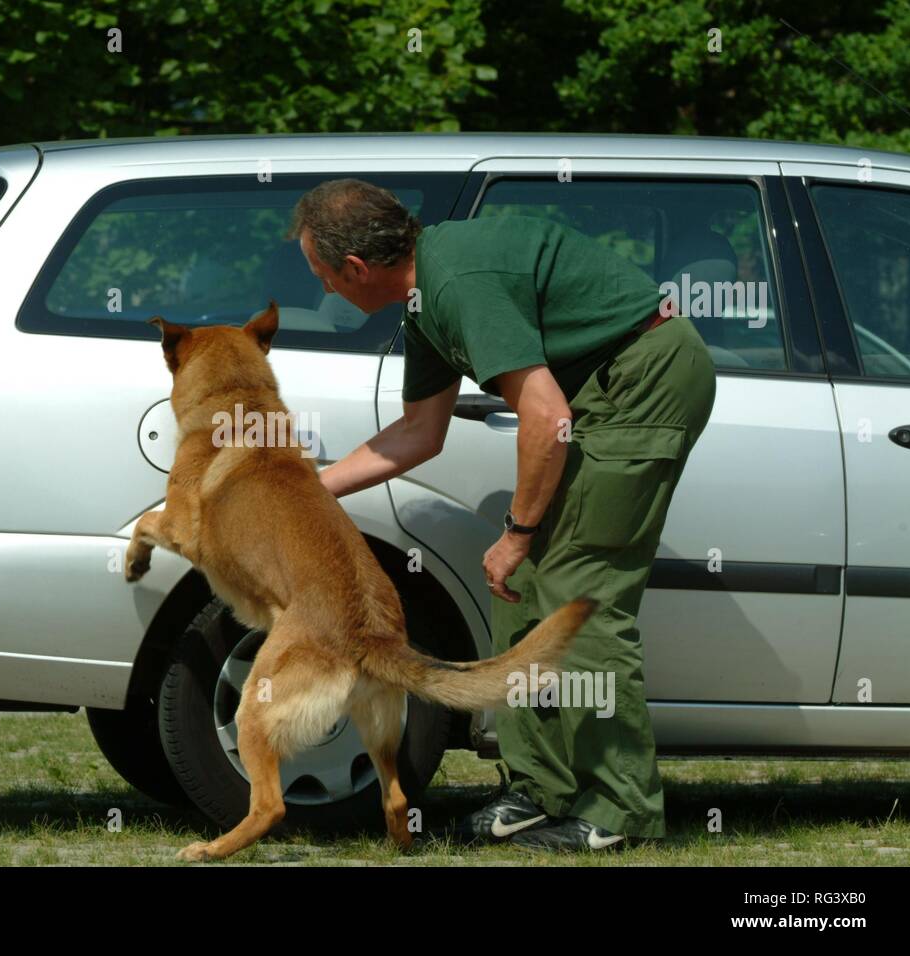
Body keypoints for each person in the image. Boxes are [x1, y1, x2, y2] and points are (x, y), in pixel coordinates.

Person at [287, 179, 716, 852]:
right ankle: (539, 791)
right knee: (518, 590)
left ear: (357, 269)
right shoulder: (425, 297)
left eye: (322, 275)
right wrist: (308, 492)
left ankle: (619, 811)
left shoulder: (456, 282)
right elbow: (418, 433)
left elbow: (548, 416)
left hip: (642, 378)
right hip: (599, 388)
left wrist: (517, 533)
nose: (325, 290)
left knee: (579, 590)